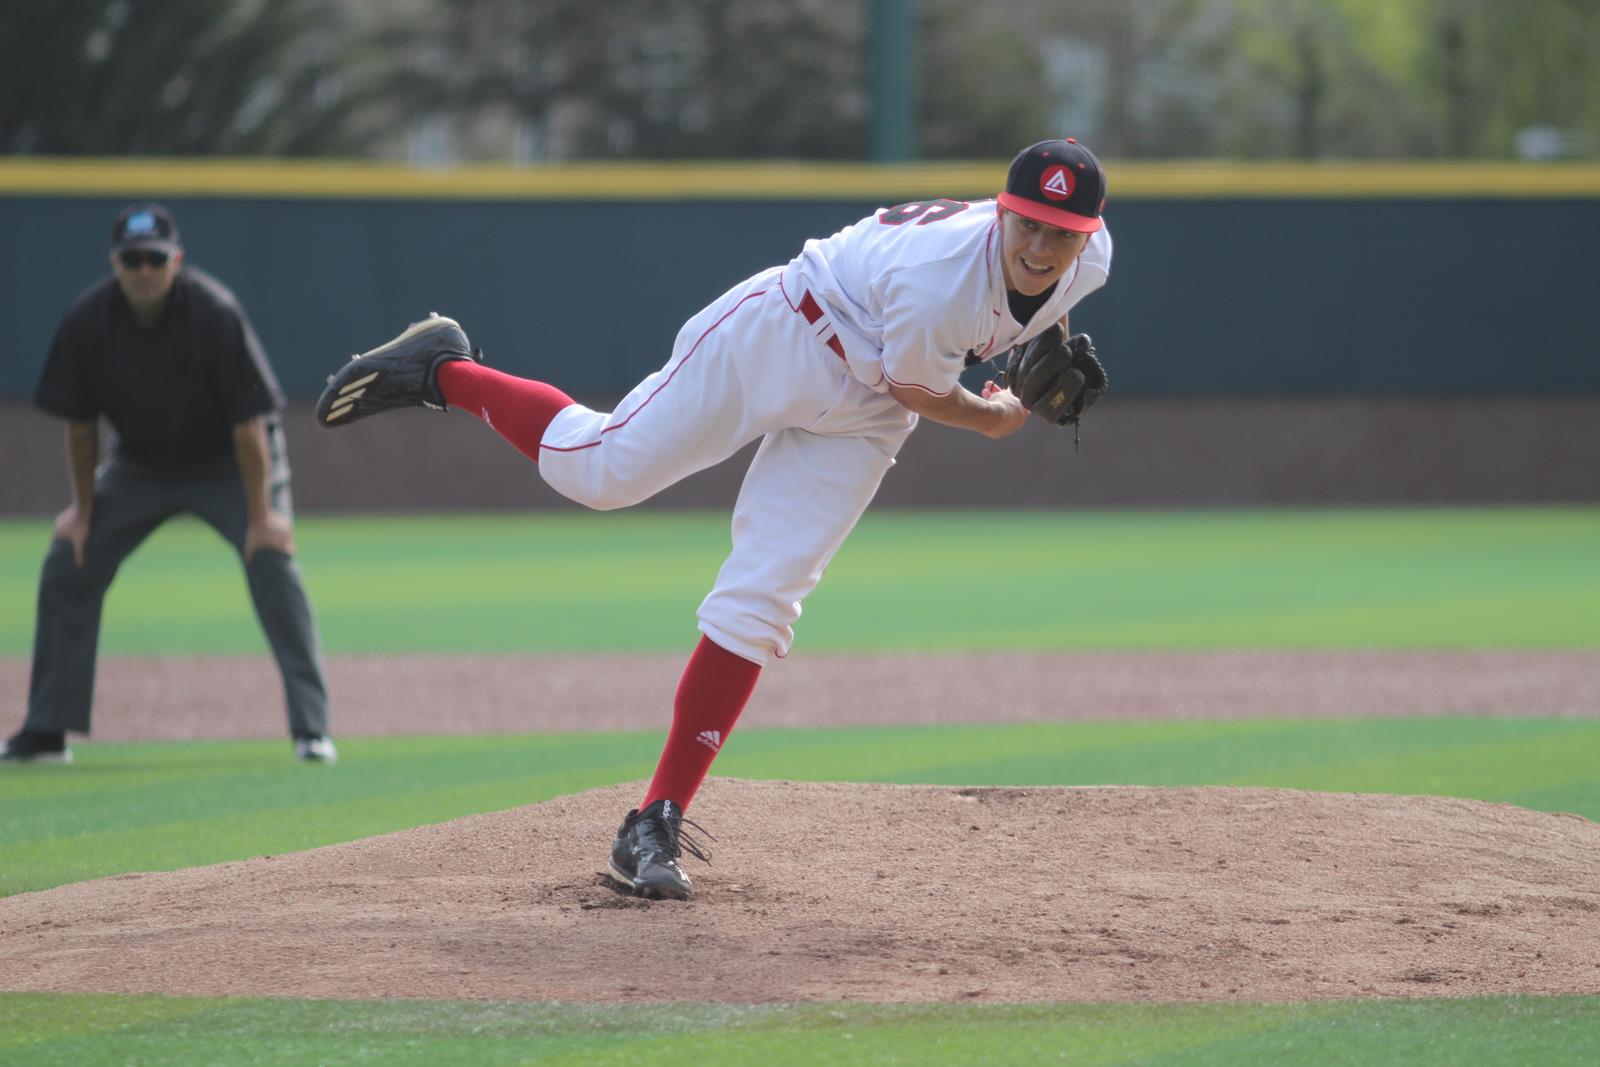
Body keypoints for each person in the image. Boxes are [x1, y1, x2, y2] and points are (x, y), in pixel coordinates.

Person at [315, 138, 1113, 897]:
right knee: (599, 470)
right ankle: (444, 370)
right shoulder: (942, 279)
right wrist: (1001, 413)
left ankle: (654, 819)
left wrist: (1043, 335)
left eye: (1063, 234)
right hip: (784, 334)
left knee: (764, 599)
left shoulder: (1092, 259)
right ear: (1002, 210)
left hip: (863, 410)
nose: (1042, 247)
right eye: (1028, 224)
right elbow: (922, 392)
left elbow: (1034, 308)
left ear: (1090, 234)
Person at [1, 205, 336, 765]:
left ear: (175, 260)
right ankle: (46, 731)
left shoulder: (214, 312)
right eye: (131, 260)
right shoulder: (88, 321)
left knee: (272, 558)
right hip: (141, 467)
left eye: (154, 258)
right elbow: (81, 430)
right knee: (68, 557)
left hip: (231, 462)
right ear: (115, 264)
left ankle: (312, 730)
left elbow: (249, 426)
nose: (143, 270)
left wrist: (262, 517)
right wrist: (82, 512)